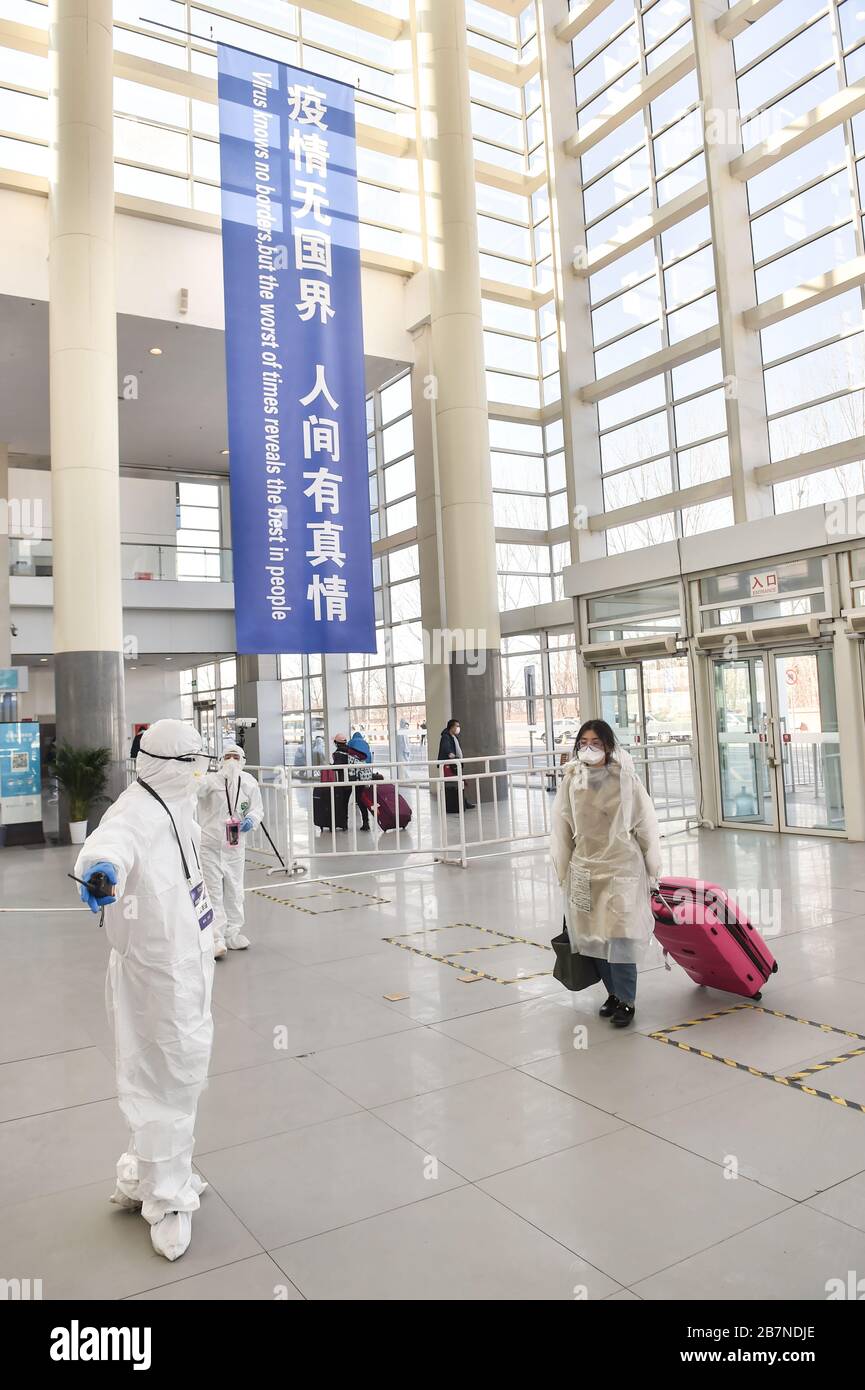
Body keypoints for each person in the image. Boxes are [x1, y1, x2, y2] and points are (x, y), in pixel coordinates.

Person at [72, 719, 214, 1261]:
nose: (200, 771)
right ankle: (167, 1197)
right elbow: (111, 843)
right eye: (193, 763)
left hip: (191, 962)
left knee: (179, 1075)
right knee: (165, 1076)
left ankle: (150, 1170)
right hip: (155, 972)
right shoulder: (133, 811)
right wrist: (101, 869)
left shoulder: (175, 802)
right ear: (164, 764)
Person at [550, 718, 661, 1029]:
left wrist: (654, 866)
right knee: (593, 935)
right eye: (583, 742)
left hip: (621, 866)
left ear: (609, 745)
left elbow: (645, 823)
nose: (589, 748)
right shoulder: (572, 780)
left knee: (621, 934)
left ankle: (627, 999)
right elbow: (562, 827)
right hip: (585, 867)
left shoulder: (626, 779)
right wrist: (562, 868)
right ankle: (612, 992)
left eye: (596, 742)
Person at [196, 742, 264, 957]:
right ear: (220, 761)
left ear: (242, 761)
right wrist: (195, 773)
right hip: (211, 844)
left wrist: (251, 821)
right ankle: (215, 937)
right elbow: (194, 791)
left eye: (236, 757)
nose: (232, 761)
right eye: (228, 757)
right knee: (213, 890)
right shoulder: (210, 781)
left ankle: (232, 933)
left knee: (235, 890)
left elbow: (257, 809)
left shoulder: (249, 783)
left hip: (235, 846)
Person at [437, 718, 476, 812]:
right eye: (456, 726)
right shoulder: (446, 736)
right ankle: (458, 804)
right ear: (451, 727)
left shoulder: (453, 736)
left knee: (459, 783)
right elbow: (446, 747)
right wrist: (450, 754)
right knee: (455, 784)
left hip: (455, 764)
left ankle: (463, 802)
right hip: (449, 765)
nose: (458, 728)